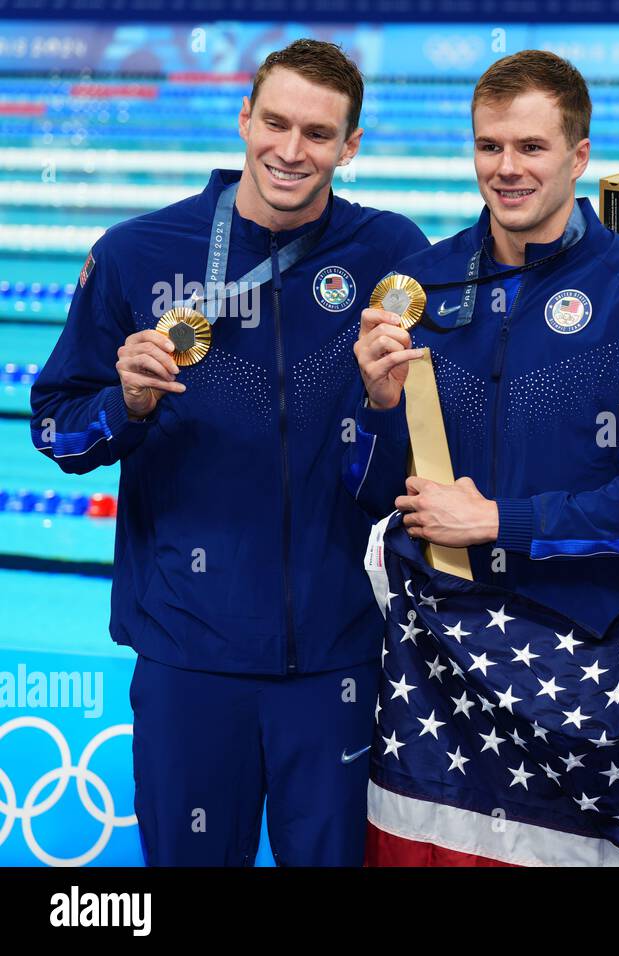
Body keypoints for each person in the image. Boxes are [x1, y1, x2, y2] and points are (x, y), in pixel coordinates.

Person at [30, 39, 430, 865]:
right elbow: (55, 429)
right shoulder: (139, 253)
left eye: (318, 134)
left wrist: (386, 405)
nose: (291, 150)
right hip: (188, 652)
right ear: (244, 119)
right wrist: (125, 404)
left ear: (350, 145)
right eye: (275, 123)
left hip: (335, 658)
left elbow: (414, 455)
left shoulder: (389, 254)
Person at [346, 50, 619, 637]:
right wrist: (378, 410)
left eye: (531, 147)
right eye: (490, 147)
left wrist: (499, 521)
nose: (506, 168)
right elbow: (368, 495)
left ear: (578, 156)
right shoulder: (418, 285)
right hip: (442, 650)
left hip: (592, 653)